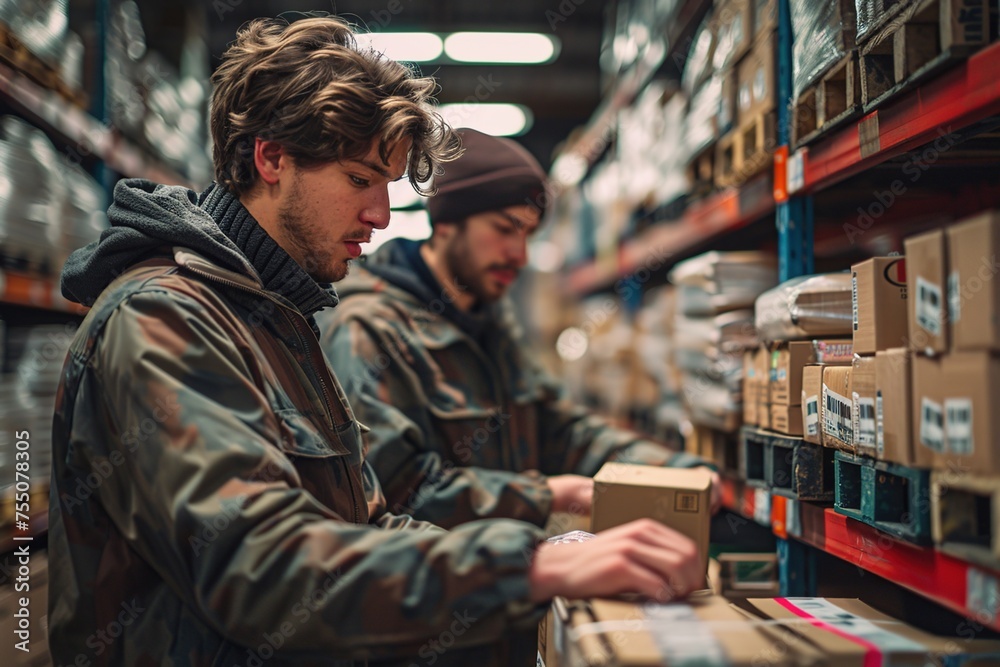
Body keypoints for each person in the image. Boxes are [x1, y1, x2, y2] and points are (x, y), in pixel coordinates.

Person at [48, 14, 704, 667]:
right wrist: (521, 562)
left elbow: (362, 521)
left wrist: (556, 551)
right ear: (271, 157)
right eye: (361, 179)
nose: (383, 215)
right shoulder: (163, 321)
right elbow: (261, 567)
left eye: (388, 186)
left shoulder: (279, 319)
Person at [317, 128, 720, 533]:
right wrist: (549, 496)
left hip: (507, 578)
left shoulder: (491, 321)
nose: (519, 254)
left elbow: (559, 429)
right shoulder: (368, 331)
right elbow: (398, 492)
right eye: (505, 229)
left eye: (528, 233)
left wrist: (673, 469)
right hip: (443, 585)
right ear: (447, 225)